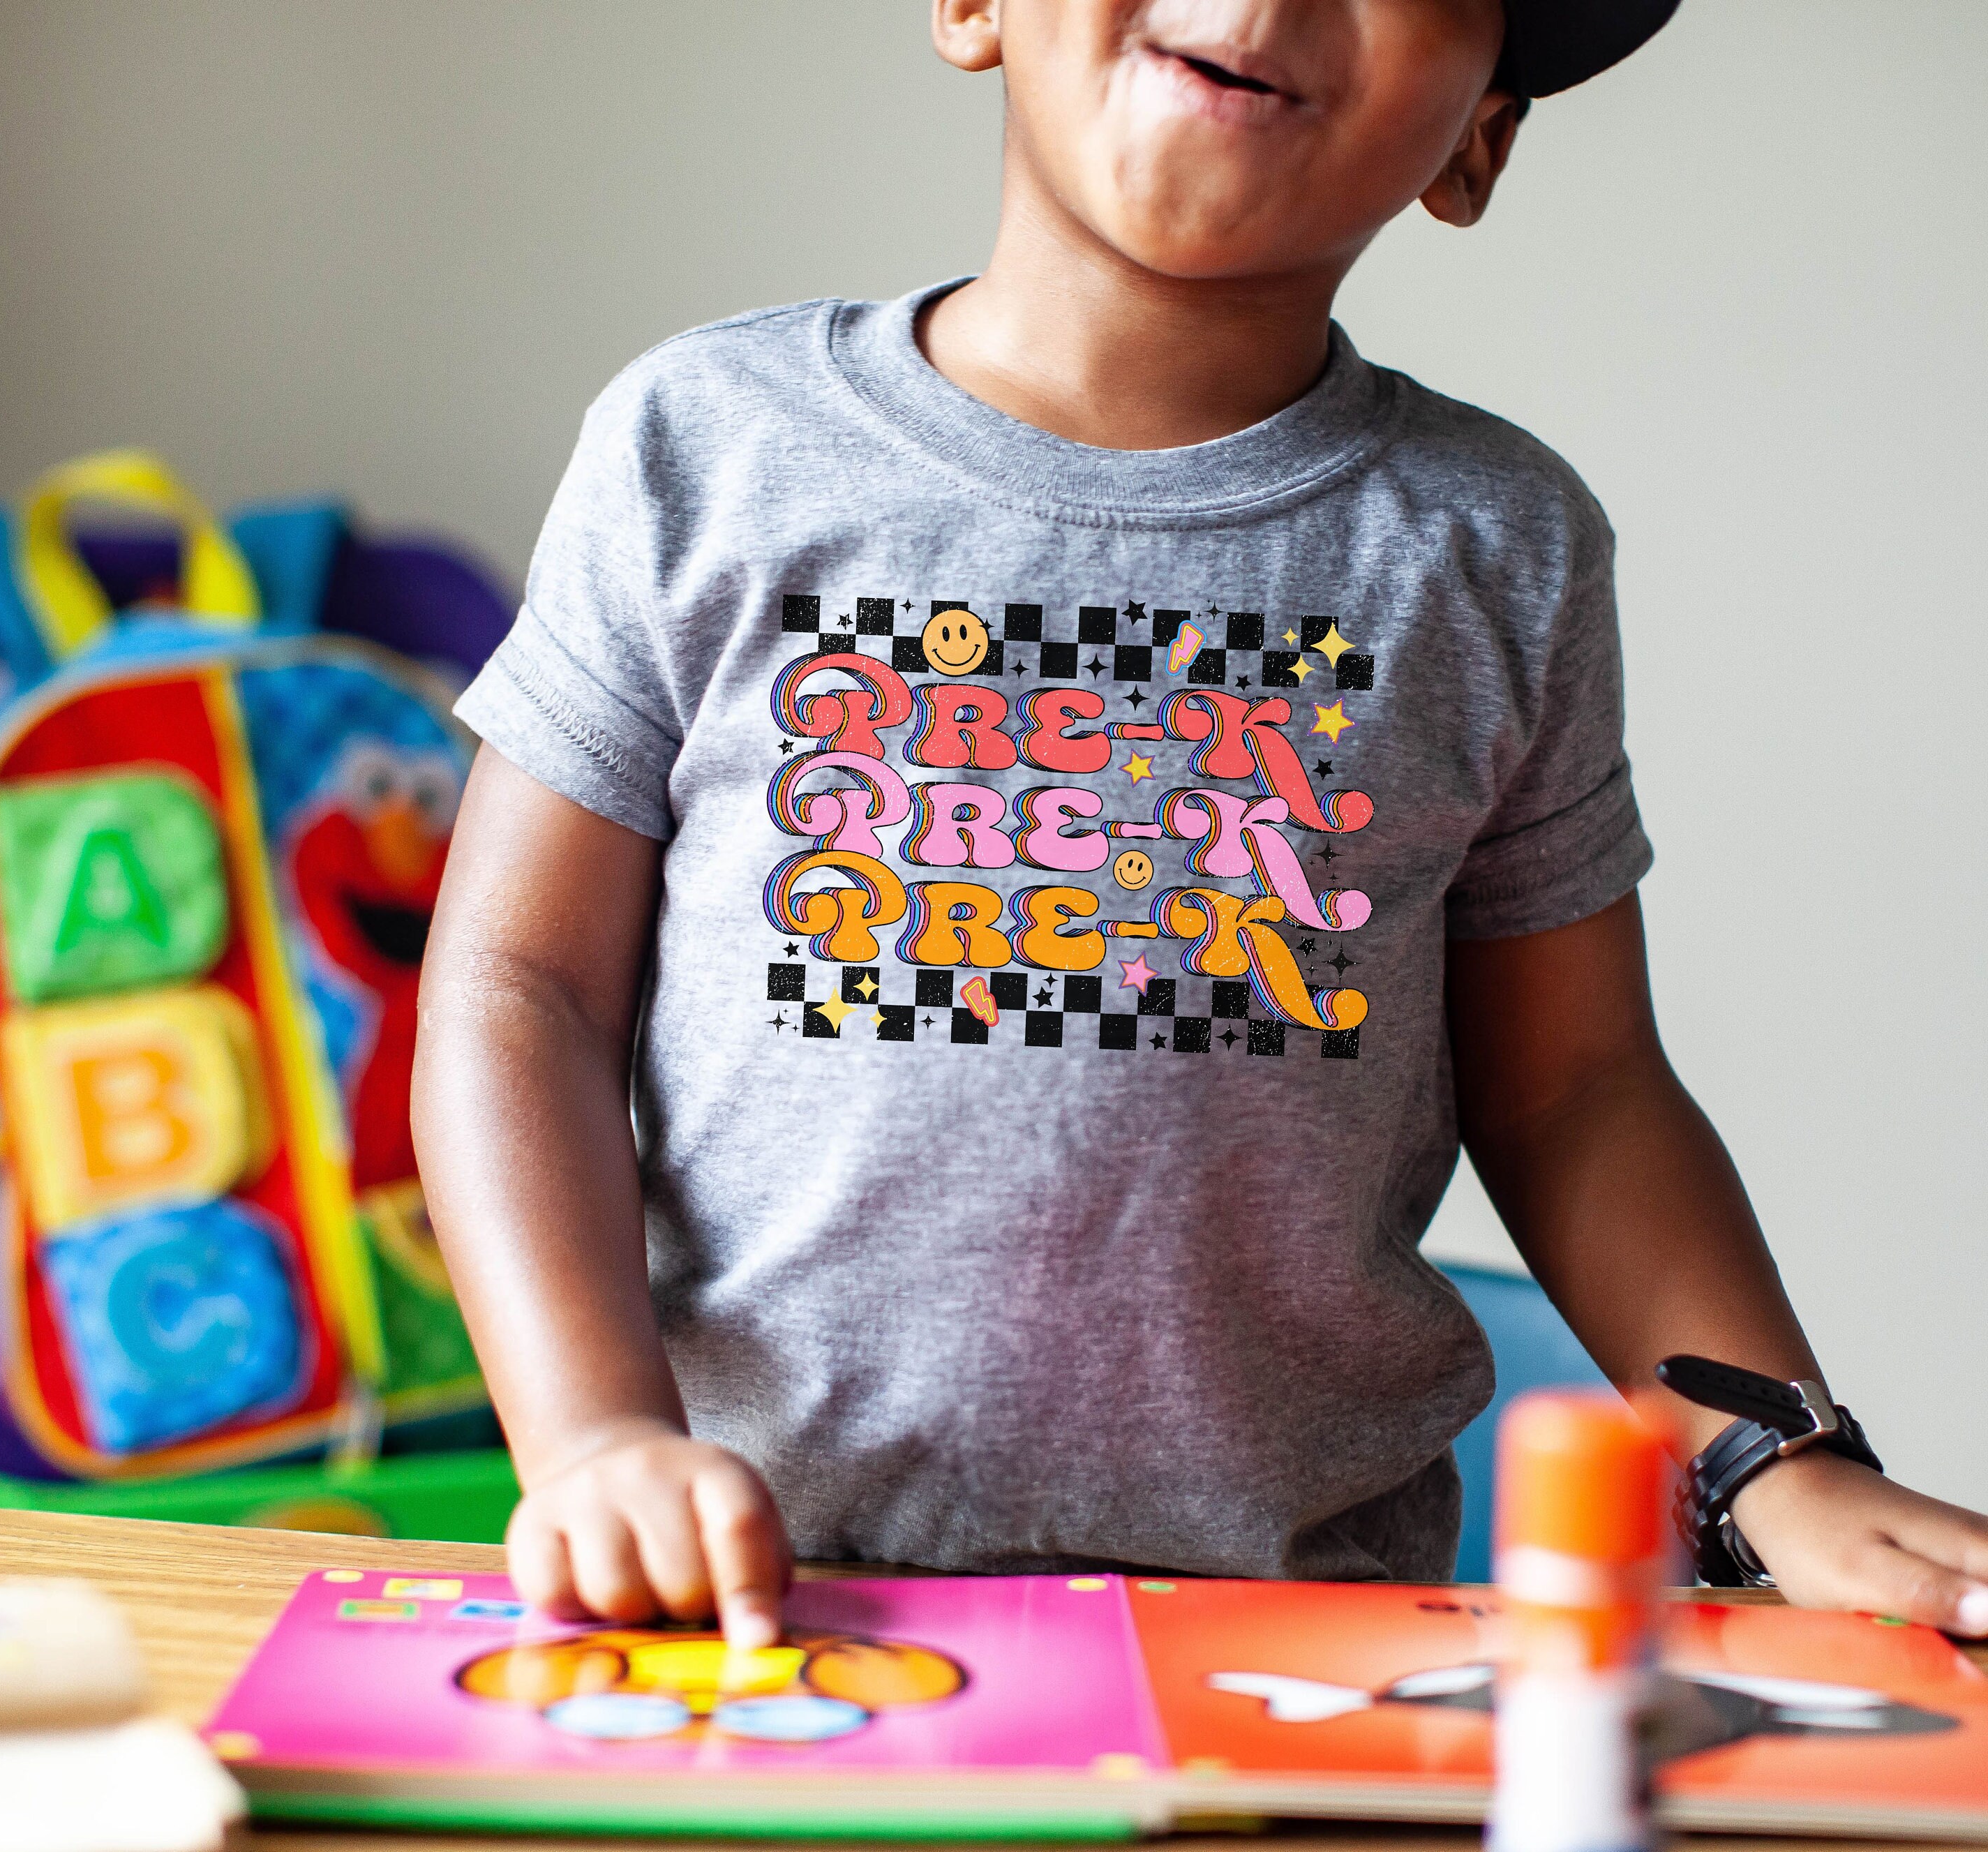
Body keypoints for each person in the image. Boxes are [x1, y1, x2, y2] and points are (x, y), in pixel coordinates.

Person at [412, 0, 1988, 1648]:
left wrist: (1776, 1459)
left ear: (1479, 140)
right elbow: (522, 989)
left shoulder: (1496, 548)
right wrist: (593, 1436)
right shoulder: (707, 446)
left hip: (1296, 1632)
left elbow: (1580, 1089)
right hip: (757, 1608)